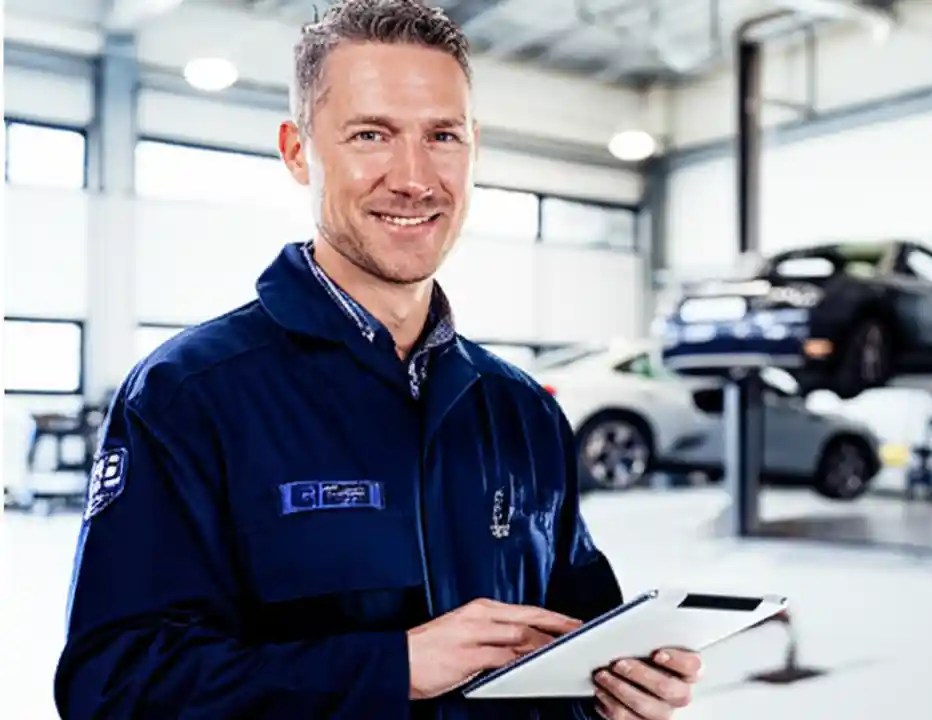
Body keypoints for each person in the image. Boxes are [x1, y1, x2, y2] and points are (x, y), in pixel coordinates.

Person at [53, 1, 703, 718]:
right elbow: (112, 687)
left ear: (474, 148)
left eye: (443, 136)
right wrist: (391, 667)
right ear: (298, 151)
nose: (415, 177)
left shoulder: (523, 411)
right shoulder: (189, 397)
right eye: (371, 134)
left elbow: (571, 646)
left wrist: (615, 695)